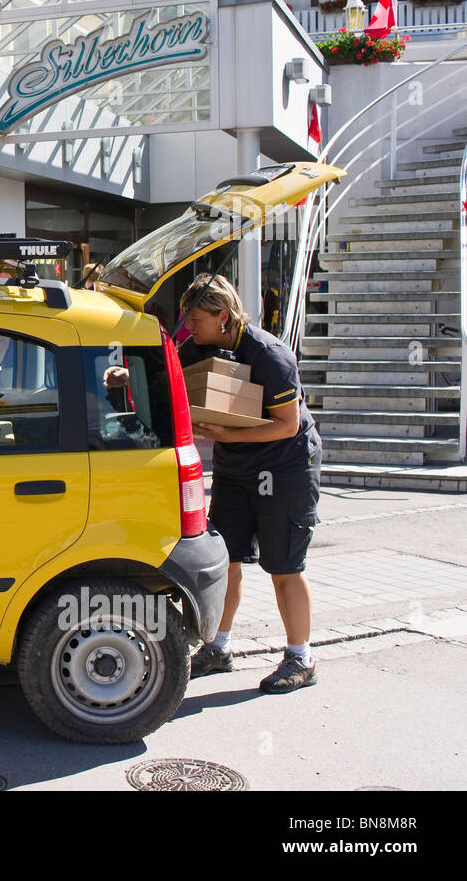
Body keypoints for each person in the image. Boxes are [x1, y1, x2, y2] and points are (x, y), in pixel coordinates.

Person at [179, 273, 323, 694]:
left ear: (222, 316)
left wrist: (227, 437)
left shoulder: (270, 355)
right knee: (229, 558)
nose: (190, 328)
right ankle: (219, 649)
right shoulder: (202, 344)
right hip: (236, 467)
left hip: (286, 466)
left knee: (284, 566)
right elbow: (166, 369)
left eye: (196, 320)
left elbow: (287, 424)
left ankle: (301, 657)